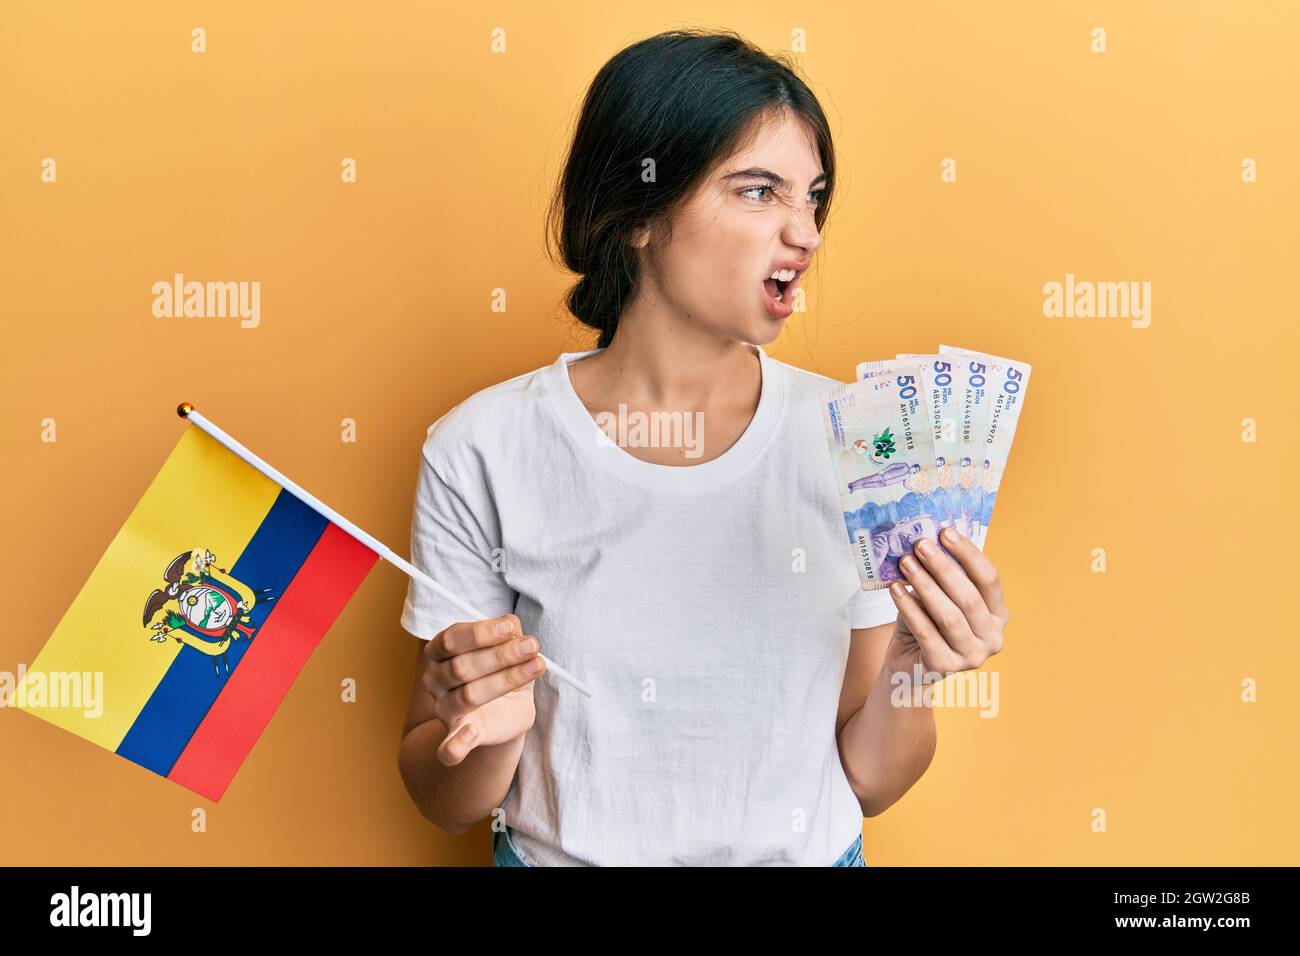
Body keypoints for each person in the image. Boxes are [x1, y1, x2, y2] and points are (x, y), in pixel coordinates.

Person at [396, 28, 1010, 866]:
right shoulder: (484, 446)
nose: (806, 233)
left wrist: (918, 659)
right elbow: (442, 798)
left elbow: (868, 778)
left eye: (813, 197)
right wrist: (487, 733)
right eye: (759, 191)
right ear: (639, 213)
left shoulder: (862, 441)